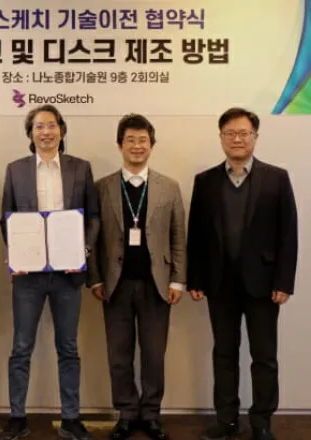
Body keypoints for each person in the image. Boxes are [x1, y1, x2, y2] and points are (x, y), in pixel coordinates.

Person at [187, 108, 298, 440]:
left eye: (244, 133)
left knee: (264, 356)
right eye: (230, 133)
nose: (237, 139)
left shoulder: (276, 178)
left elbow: (288, 234)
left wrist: (283, 281)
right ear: (221, 137)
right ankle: (227, 420)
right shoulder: (205, 181)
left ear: (255, 137)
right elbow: (197, 234)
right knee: (224, 353)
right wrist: (196, 278)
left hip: (264, 284)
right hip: (219, 282)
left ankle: (262, 421)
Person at [0, 104, 100, 440]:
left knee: (68, 348)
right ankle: (17, 417)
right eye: (39, 126)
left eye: (51, 125)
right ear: (30, 133)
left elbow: (93, 217)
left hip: (68, 273)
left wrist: (83, 250)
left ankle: (71, 418)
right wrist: (16, 253)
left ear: (62, 130)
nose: (46, 132)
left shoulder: (80, 168)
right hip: (29, 275)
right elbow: (7, 218)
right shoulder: (16, 169)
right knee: (21, 347)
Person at [87, 114, 186, 440]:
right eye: (130, 140)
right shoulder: (102, 187)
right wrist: (95, 278)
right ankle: (127, 413)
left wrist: (177, 280)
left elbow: (177, 236)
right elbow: (94, 239)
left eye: (143, 140)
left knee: (154, 355)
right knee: (119, 356)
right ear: (120, 145)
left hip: (157, 285)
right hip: (115, 285)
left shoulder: (169, 187)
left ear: (151, 145)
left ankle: (152, 414)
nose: (137, 146)